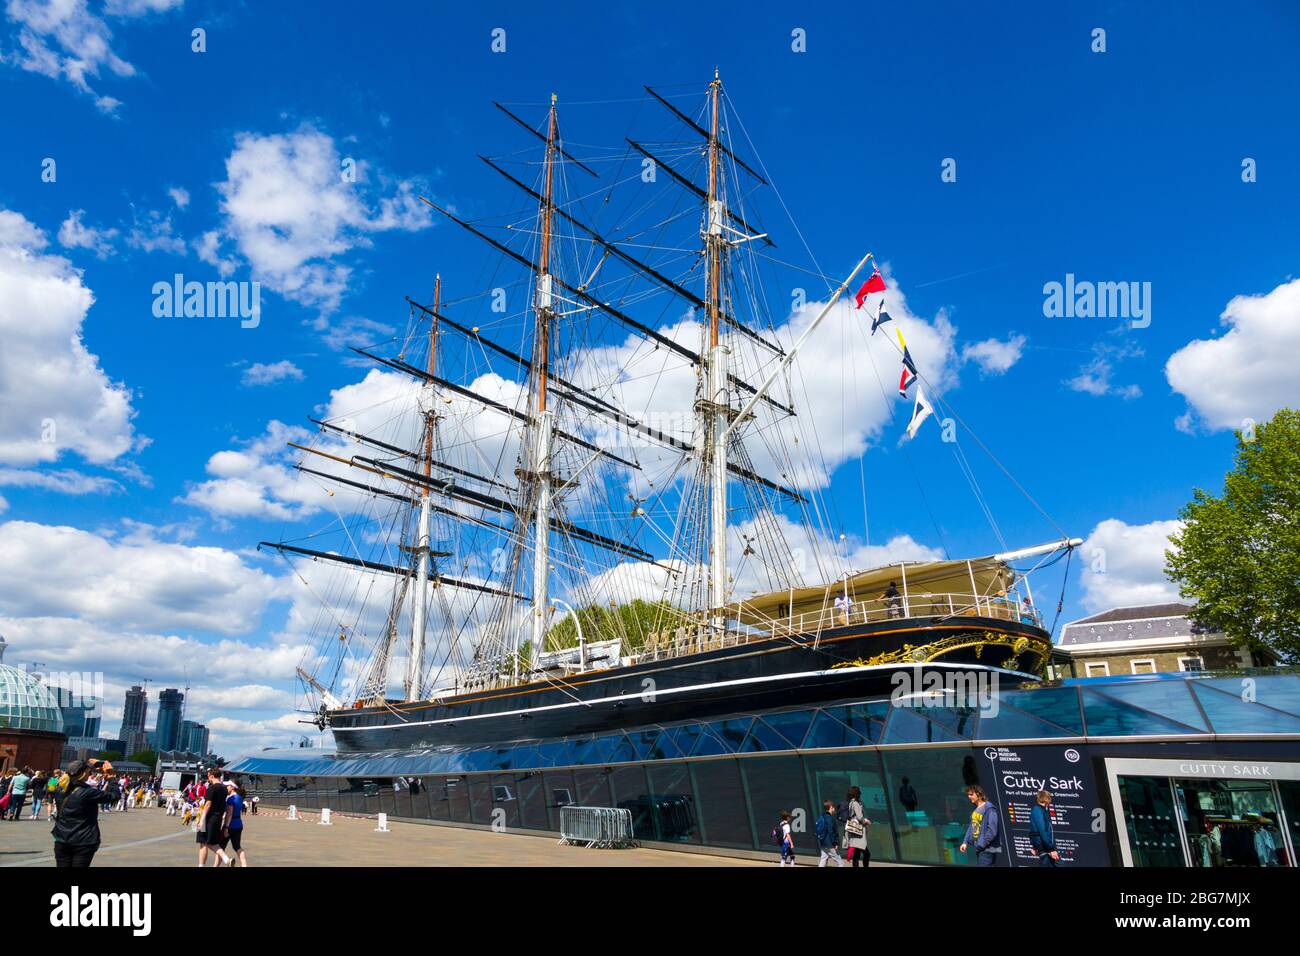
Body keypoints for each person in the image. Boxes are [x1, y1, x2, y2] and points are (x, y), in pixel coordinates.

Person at [51, 759, 119, 867]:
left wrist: (90, 764)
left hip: (62, 838)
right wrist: (111, 776)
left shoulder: (60, 788)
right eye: (89, 772)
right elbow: (114, 796)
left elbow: (75, 771)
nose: (90, 774)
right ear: (83, 774)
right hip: (83, 840)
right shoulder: (87, 793)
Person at [959, 785, 1002, 866]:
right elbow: (971, 827)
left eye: (971, 794)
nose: (969, 797)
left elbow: (992, 830)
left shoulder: (989, 809)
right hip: (980, 848)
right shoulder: (975, 810)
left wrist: (982, 844)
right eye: (968, 795)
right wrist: (965, 842)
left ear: (979, 794)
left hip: (987, 849)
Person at [197, 768, 232, 867]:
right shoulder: (224, 789)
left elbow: (208, 804)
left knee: (203, 842)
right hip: (218, 818)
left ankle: (202, 865)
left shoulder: (212, 788)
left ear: (212, 776)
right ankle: (226, 859)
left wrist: (201, 820)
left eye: (208, 776)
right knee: (213, 842)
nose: (208, 779)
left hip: (209, 818)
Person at [1029, 789, 1060, 866]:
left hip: (1045, 848)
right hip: (1045, 849)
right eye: (1049, 799)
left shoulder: (1041, 810)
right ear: (1046, 800)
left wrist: (1034, 846)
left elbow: (1035, 830)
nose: (1050, 801)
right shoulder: (1038, 811)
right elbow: (1042, 831)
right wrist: (1051, 849)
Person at [222, 781, 249, 867]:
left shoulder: (231, 799)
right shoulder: (240, 798)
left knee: (220, 848)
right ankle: (244, 865)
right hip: (239, 824)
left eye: (228, 786)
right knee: (237, 847)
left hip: (230, 825)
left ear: (232, 787)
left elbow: (229, 814)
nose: (226, 787)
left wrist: (226, 827)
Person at [842, 785, 871, 867]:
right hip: (857, 831)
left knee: (857, 854)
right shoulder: (855, 803)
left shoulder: (851, 802)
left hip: (853, 831)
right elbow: (860, 817)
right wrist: (866, 821)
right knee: (866, 854)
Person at [815, 800, 846, 867]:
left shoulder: (823, 816)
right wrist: (835, 842)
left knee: (823, 861)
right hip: (830, 844)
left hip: (823, 842)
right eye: (834, 807)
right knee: (841, 863)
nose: (835, 809)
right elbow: (831, 831)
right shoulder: (829, 817)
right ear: (831, 807)